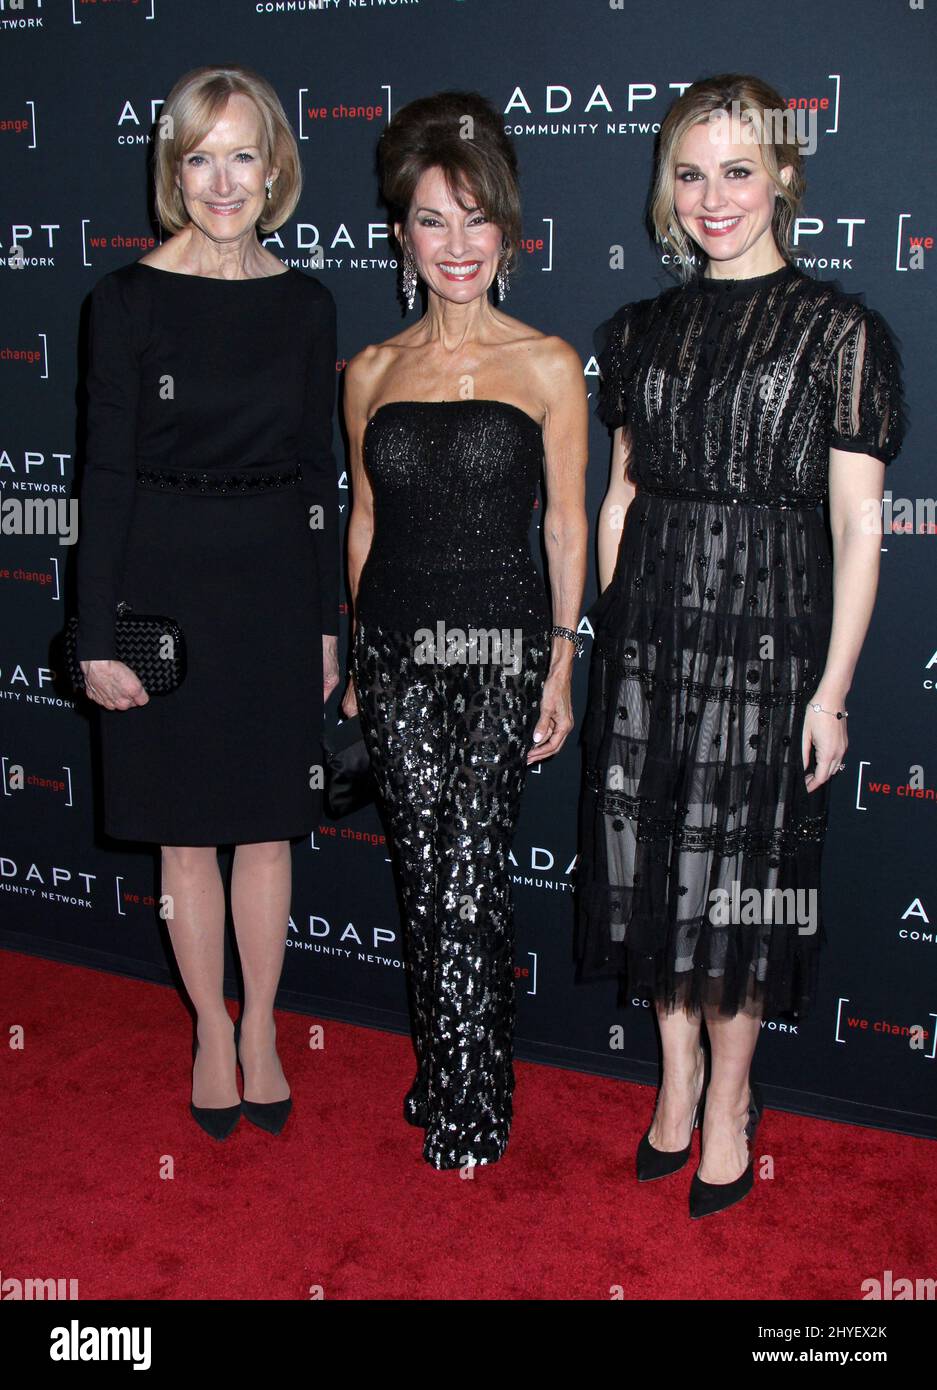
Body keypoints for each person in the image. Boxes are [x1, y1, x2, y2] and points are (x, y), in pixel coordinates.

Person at [576, 74, 905, 1216]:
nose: (713, 197)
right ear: (665, 187)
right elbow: (618, 501)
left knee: (739, 888)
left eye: (737, 170)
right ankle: (673, 1085)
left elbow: (859, 525)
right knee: (657, 874)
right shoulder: (637, 332)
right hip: (649, 642)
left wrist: (833, 690)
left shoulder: (838, 332)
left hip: (767, 648)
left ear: (780, 179)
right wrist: (612, 634)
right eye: (689, 171)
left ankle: (729, 1101)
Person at [75, 65, 340, 1141]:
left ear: (275, 165)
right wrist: (96, 633)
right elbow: (103, 476)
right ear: (171, 170)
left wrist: (330, 625)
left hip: (275, 586)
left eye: (241, 154)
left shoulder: (307, 301)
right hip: (164, 589)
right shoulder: (127, 301)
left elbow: (321, 474)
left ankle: (266, 1021)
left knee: (269, 831)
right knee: (185, 835)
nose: (221, 180)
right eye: (198, 156)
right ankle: (208, 1029)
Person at [342, 91, 588, 1169]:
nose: (457, 245)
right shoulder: (370, 372)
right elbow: (362, 520)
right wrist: (356, 656)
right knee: (421, 867)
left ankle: (468, 1096)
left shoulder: (546, 364)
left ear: (507, 234)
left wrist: (563, 659)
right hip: (393, 642)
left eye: (476, 221)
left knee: (473, 860)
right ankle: (450, 1061)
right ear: (401, 234)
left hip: (499, 645)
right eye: (433, 221)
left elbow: (569, 524)